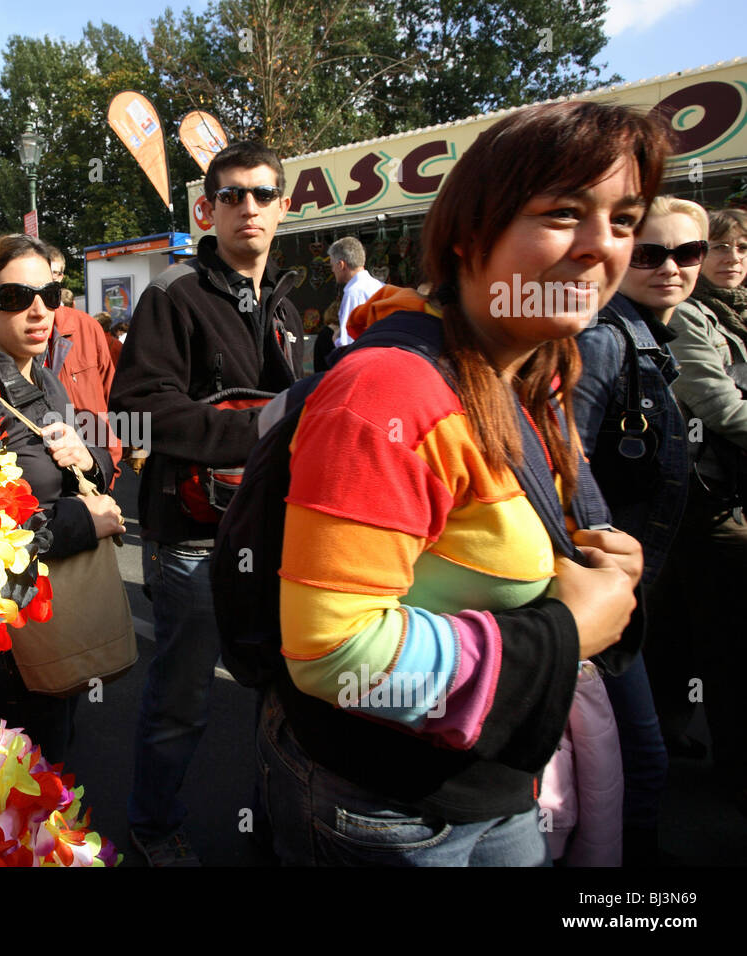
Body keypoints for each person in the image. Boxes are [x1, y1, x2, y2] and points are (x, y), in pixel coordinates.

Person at [260, 100, 664, 866]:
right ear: (469, 232)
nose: (598, 247)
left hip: (494, 786)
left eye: (623, 219)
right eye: (564, 212)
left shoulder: (537, 372)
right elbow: (331, 654)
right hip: (387, 809)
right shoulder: (389, 392)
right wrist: (567, 632)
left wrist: (592, 566)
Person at [109, 141, 304, 865]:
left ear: (283, 206)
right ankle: (153, 829)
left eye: (262, 194)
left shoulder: (283, 297)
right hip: (192, 538)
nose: (248, 207)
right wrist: (255, 423)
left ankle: (277, 827)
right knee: (181, 703)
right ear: (207, 210)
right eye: (232, 196)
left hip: (278, 534)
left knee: (281, 699)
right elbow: (134, 410)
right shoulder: (174, 292)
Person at [573, 195, 706, 865]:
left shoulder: (655, 334)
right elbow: (563, 458)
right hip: (606, 584)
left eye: (688, 253)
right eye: (651, 253)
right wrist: (606, 564)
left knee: (626, 753)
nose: (672, 268)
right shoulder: (604, 336)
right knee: (639, 757)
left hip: (635, 580)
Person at [0, 234, 124, 764]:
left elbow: (70, 469)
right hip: (9, 628)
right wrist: (83, 521)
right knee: (31, 766)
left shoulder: (46, 380)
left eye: (50, 296)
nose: (38, 310)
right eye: (15, 298)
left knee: (58, 748)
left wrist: (90, 458)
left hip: (58, 606)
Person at [655, 207, 747, 811]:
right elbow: (715, 402)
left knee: (682, 633)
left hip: (719, 494)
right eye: (715, 248)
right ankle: (731, 768)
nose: (730, 258)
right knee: (726, 641)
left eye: (741, 247)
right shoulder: (691, 315)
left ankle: (671, 737)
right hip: (706, 502)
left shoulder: (735, 316)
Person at [43, 245, 120, 471]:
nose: (49, 279)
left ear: (61, 277)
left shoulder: (86, 326)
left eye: (55, 273)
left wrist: (110, 461)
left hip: (93, 459)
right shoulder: (17, 330)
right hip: (45, 465)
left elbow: (111, 391)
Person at [329, 236, 383, 347]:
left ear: (341, 265)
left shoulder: (354, 292)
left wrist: (336, 340)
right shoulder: (378, 285)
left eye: (332, 265)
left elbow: (348, 342)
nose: (332, 270)